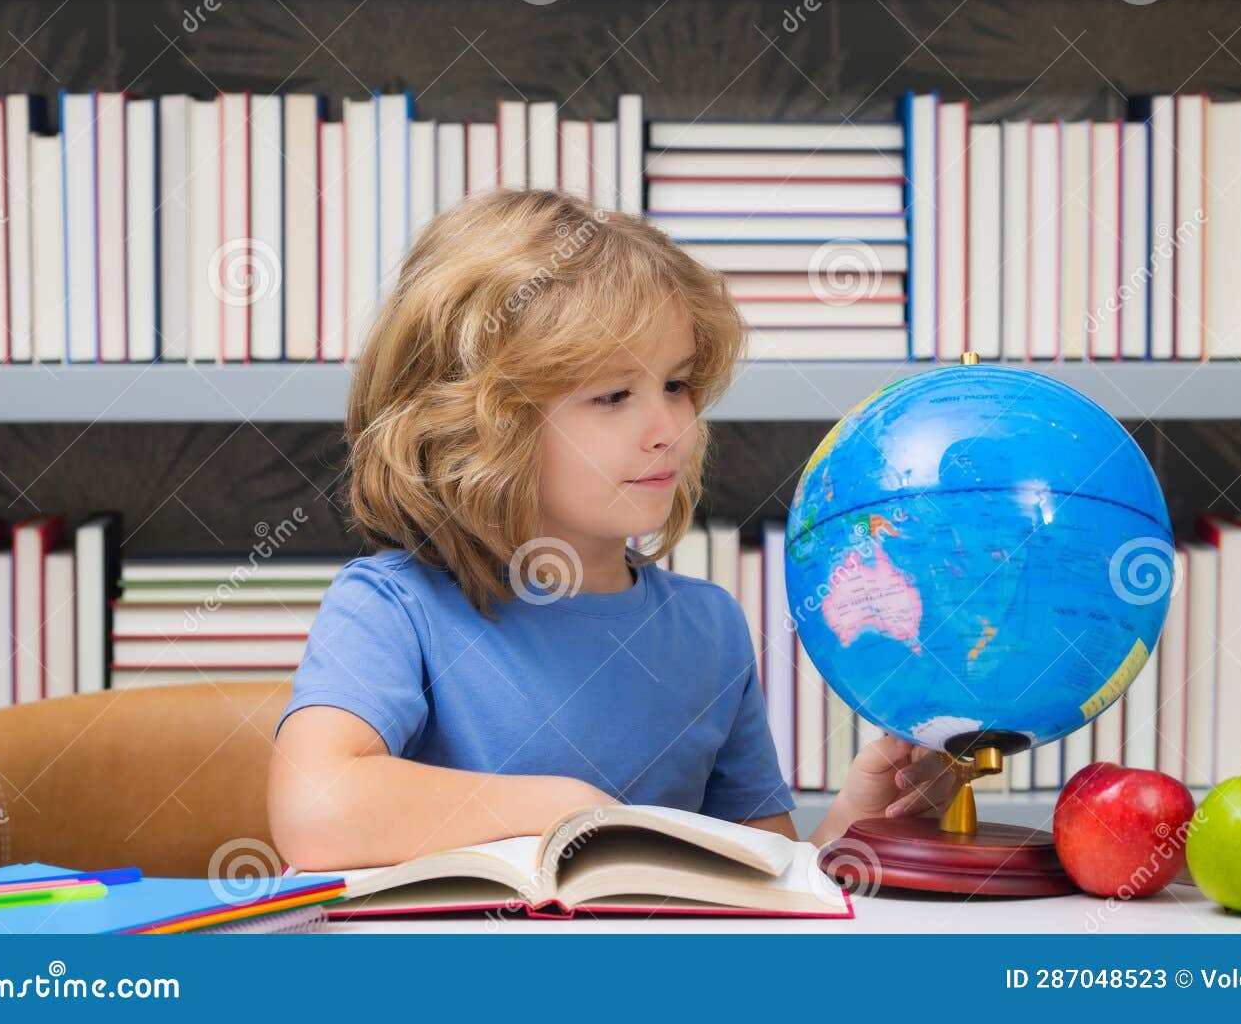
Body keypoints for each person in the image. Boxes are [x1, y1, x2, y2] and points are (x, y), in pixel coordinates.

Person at [267, 188, 959, 871]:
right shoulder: (394, 609)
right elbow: (315, 811)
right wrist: (564, 810)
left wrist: (852, 832)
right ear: (480, 425)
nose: (667, 430)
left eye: (678, 385)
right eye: (613, 396)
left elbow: (759, 878)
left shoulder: (710, 629)